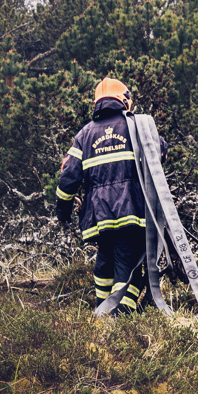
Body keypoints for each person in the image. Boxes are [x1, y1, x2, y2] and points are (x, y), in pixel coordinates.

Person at [55, 77, 165, 316]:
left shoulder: (84, 135)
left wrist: (62, 211)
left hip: (100, 216)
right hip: (132, 212)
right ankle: (121, 315)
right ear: (124, 100)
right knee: (130, 261)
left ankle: (102, 310)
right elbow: (160, 150)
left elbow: (68, 177)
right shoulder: (136, 125)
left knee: (105, 259)